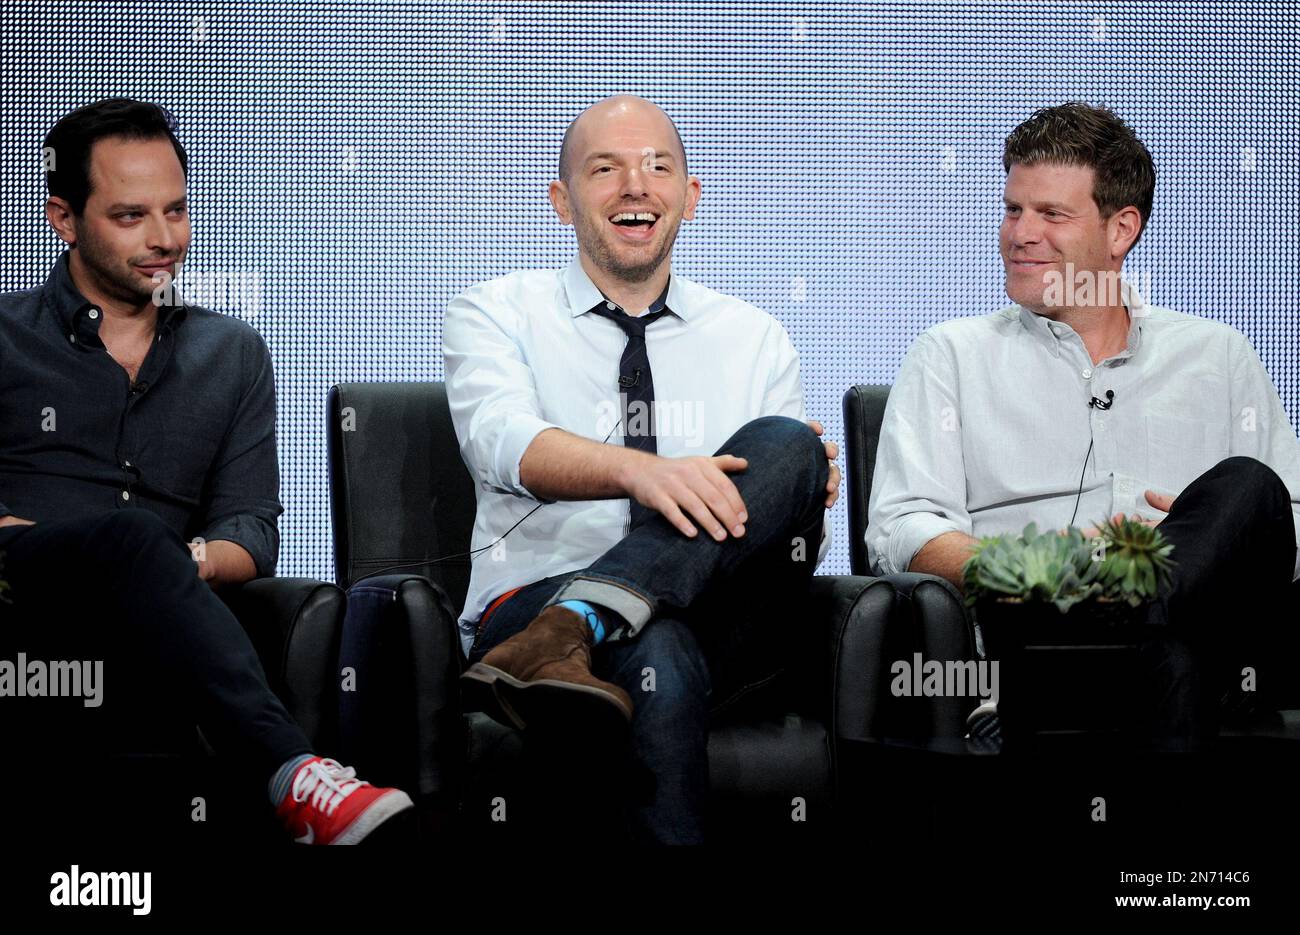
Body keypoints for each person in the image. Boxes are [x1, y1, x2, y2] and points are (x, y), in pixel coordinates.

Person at [0, 98, 412, 844]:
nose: (164, 240)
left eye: (177, 210)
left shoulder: (233, 353)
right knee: (130, 538)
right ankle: (296, 776)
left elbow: (251, 529)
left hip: (161, 607)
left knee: (141, 545)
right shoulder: (5, 338)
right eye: (130, 217)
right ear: (64, 218)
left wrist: (174, 559)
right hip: (20, 591)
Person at [440, 95, 839, 843]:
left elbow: (781, 542)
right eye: (605, 168)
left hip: (718, 611)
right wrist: (639, 472)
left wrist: (798, 491)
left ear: (690, 197)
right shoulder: (495, 311)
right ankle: (575, 620)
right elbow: (502, 443)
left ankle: (579, 620)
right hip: (526, 601)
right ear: (562, 201)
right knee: (656, 644)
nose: (635, 185)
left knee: (790, 443)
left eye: (658, 166)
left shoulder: (755, 336)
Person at [868, 102, 1300, 748]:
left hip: (1211, 673)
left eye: (1051, 214)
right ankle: (1122, 619)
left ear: (1121, 228)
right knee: (1170, 654)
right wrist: (1040, 568)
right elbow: (900, 528)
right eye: (1013, 209)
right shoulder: (951, 355)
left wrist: (1204, 530)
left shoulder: (1219, 356)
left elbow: (1286, 518)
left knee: (1246, 488)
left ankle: (1136, 613)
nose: (1020, 233)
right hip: (1037, 675)